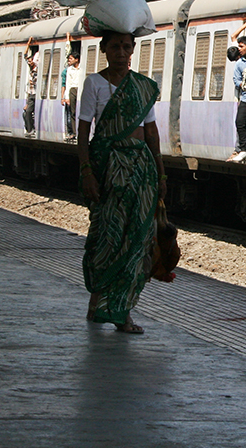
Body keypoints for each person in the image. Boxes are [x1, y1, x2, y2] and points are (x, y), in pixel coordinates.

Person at [77, 31, 166, 334]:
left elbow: (151, 131)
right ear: (103, 50)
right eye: (115, 46)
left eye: (126, 47)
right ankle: (97, 301)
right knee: (108, 237)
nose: (121, 52)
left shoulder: (142, 87)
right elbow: (83, 131)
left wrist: (161, 171)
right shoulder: (94, 84)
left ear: (133, 50)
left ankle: (122, 312)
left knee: (137, 240)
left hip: (141, 168)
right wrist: (87, 171)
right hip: (108, 168)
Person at [227, 36, 246, 162]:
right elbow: (236, 80)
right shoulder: (239, 63)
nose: (239, 49)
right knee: (240, 122)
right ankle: (244, 149)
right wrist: (245, 85)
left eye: (241, 46)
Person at [62, 50, 81, 142]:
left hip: (81, 89)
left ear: (76, 60)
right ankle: (74, 132)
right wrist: (66, 97)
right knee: (73, 112)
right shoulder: (69, 70)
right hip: (73, 90)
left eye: (71, 58)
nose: (69, 60)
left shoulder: (82, 68)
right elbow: (68, 83)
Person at [23, 39, 38, 137]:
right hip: (31, 93)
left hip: (37, 93)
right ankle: (30, 129)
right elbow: (24, 55)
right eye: (28, 61)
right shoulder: (30, 69)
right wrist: (28, 43)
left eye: (30, 60)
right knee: (27, 112)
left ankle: (32, 129)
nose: (29, 62)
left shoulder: (37, 68)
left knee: (30, 112)